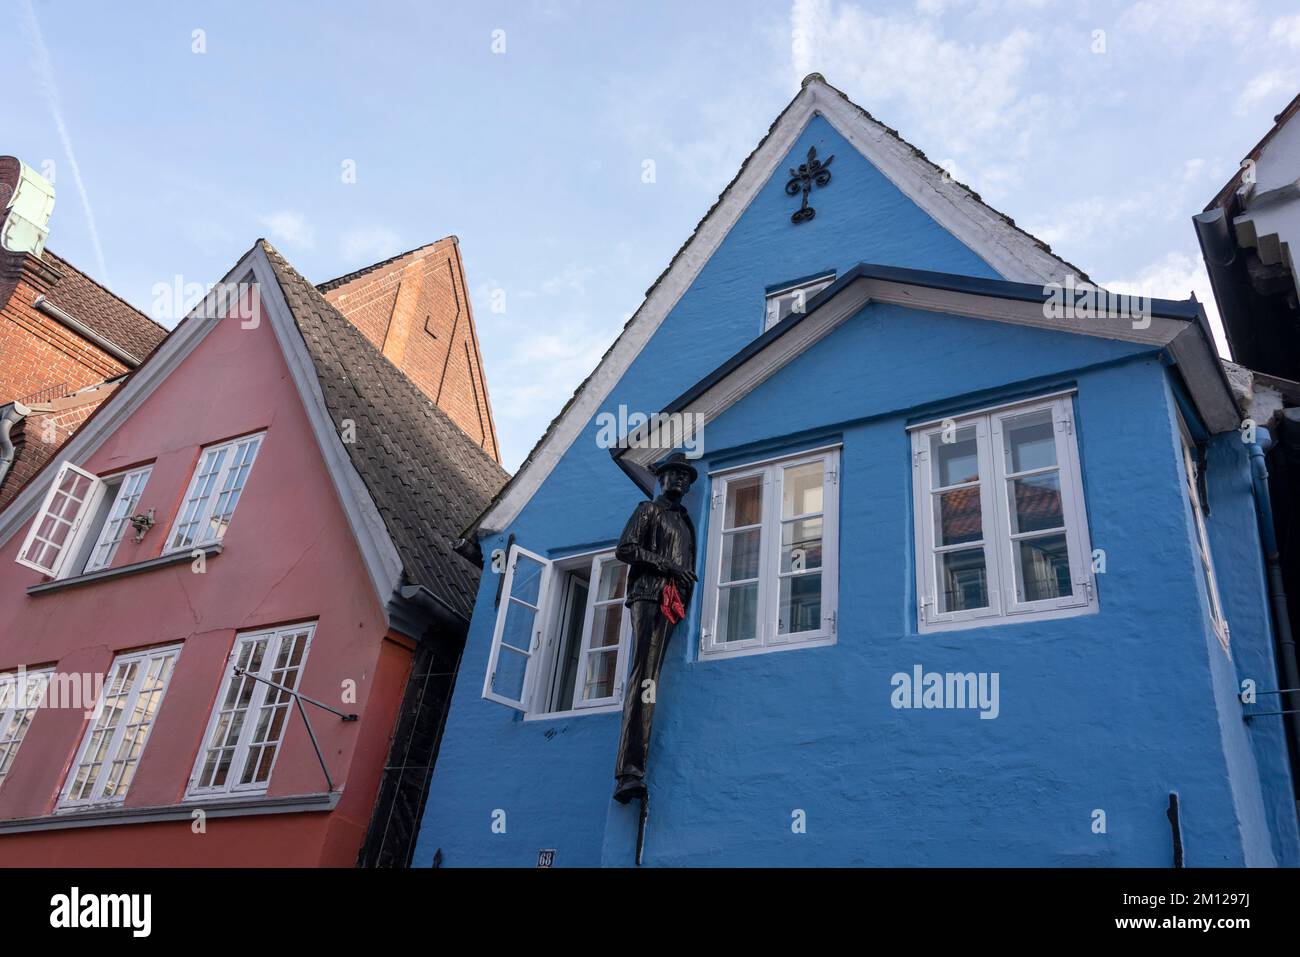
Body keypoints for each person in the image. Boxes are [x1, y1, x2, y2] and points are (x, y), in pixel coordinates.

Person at [612, 451, 698, 804]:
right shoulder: (648, 510)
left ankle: (633, 768)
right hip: (649, 595)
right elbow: (626, 548)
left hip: (673, 603)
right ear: (661, 478)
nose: (678, 480)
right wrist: (667, 567)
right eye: (672, 474)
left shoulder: (685, 522)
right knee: (645, 676)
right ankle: (629, 770)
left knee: (651, 676)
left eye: (684, 476)